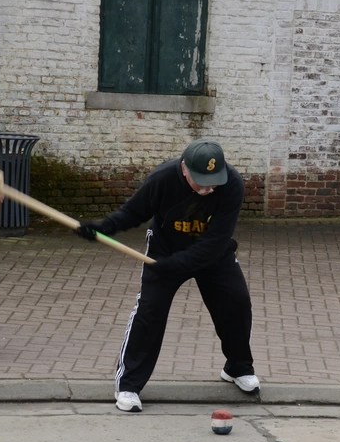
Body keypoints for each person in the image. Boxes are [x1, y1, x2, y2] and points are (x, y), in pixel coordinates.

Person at [74, 139, 259, 413]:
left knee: (237, 302)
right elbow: (133, 212)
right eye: (201, 182)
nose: (208, 189)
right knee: (150, 310)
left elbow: (216, 241)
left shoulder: (232, 184)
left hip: (213, 254)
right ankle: (128, 385)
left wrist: (175, 265)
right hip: (165, 248)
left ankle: (237, 368)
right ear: (184, 169)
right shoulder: (162, 179)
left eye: (213, 183)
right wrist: (103, 228)